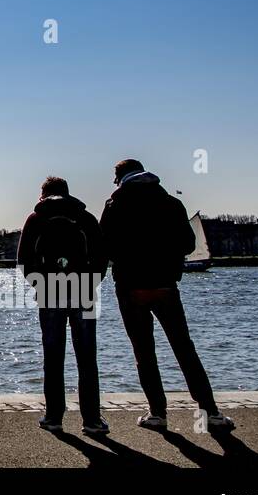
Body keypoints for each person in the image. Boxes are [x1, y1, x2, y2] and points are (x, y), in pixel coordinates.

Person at [101, 159, 236, 432]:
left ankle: (157, 413)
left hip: (131, 287)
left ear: (120, 178)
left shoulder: (115, 205)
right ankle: (210, 412)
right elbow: (188, 243)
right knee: (184, 349)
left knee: (144, 352)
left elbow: (105, 247)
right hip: (165, 285)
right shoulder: (172, 204)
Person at [17, 176, 108, 435]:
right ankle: (92, 420)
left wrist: (40, 285)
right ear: (68, 193)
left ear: (43, 194)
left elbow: (24, 260)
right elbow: (101, 257)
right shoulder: (85, 217)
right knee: (87, 358)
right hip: (84, 293)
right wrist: (91, 283)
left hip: (50, 295)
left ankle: (54, 417)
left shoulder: (36, 219)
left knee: (53, 357)